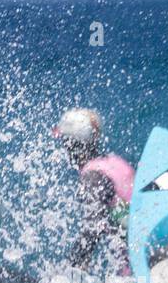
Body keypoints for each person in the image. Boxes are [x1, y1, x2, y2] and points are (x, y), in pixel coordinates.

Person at [53, 108, 134, 274]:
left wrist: (70, 271)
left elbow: (93, 227)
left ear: (70, 144)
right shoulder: (116, 162)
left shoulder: (93, 176)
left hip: (135, 274)